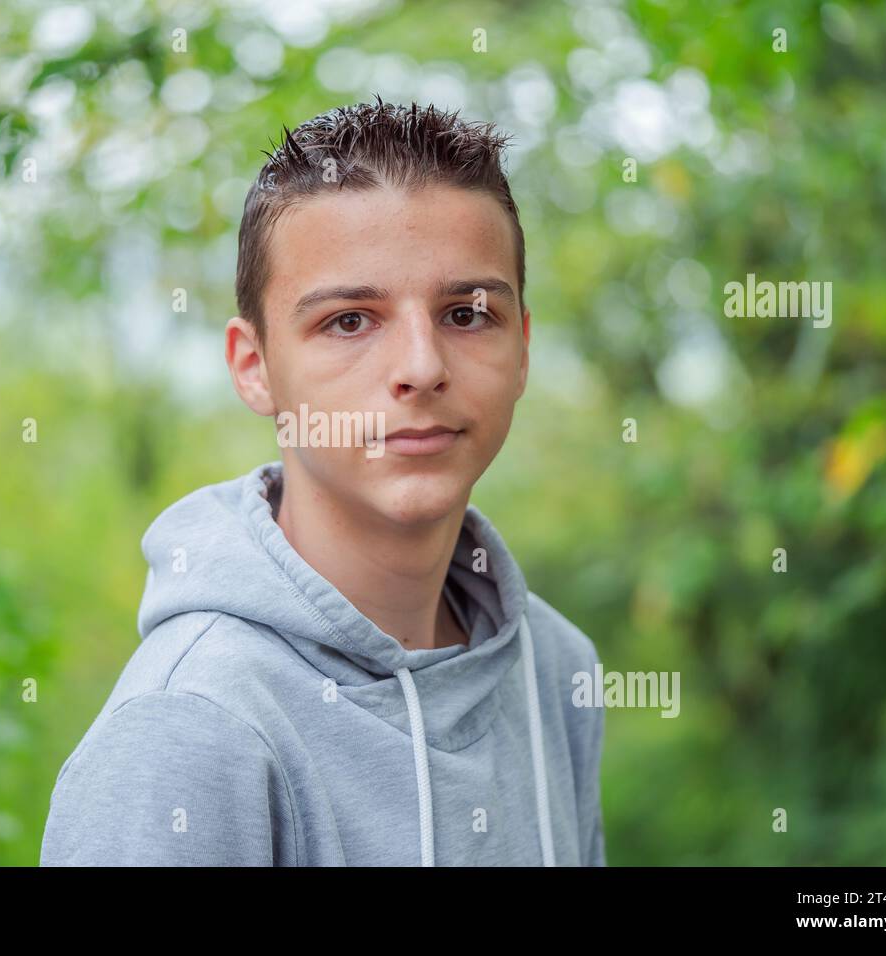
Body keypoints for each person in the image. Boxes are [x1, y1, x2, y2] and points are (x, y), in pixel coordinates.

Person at [41, 97, 605, 866]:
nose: (421, 367)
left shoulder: (554, 666)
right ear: (255, 366)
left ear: (524, 349)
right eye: (349, 321)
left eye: (467, 314)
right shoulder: (190, 727)